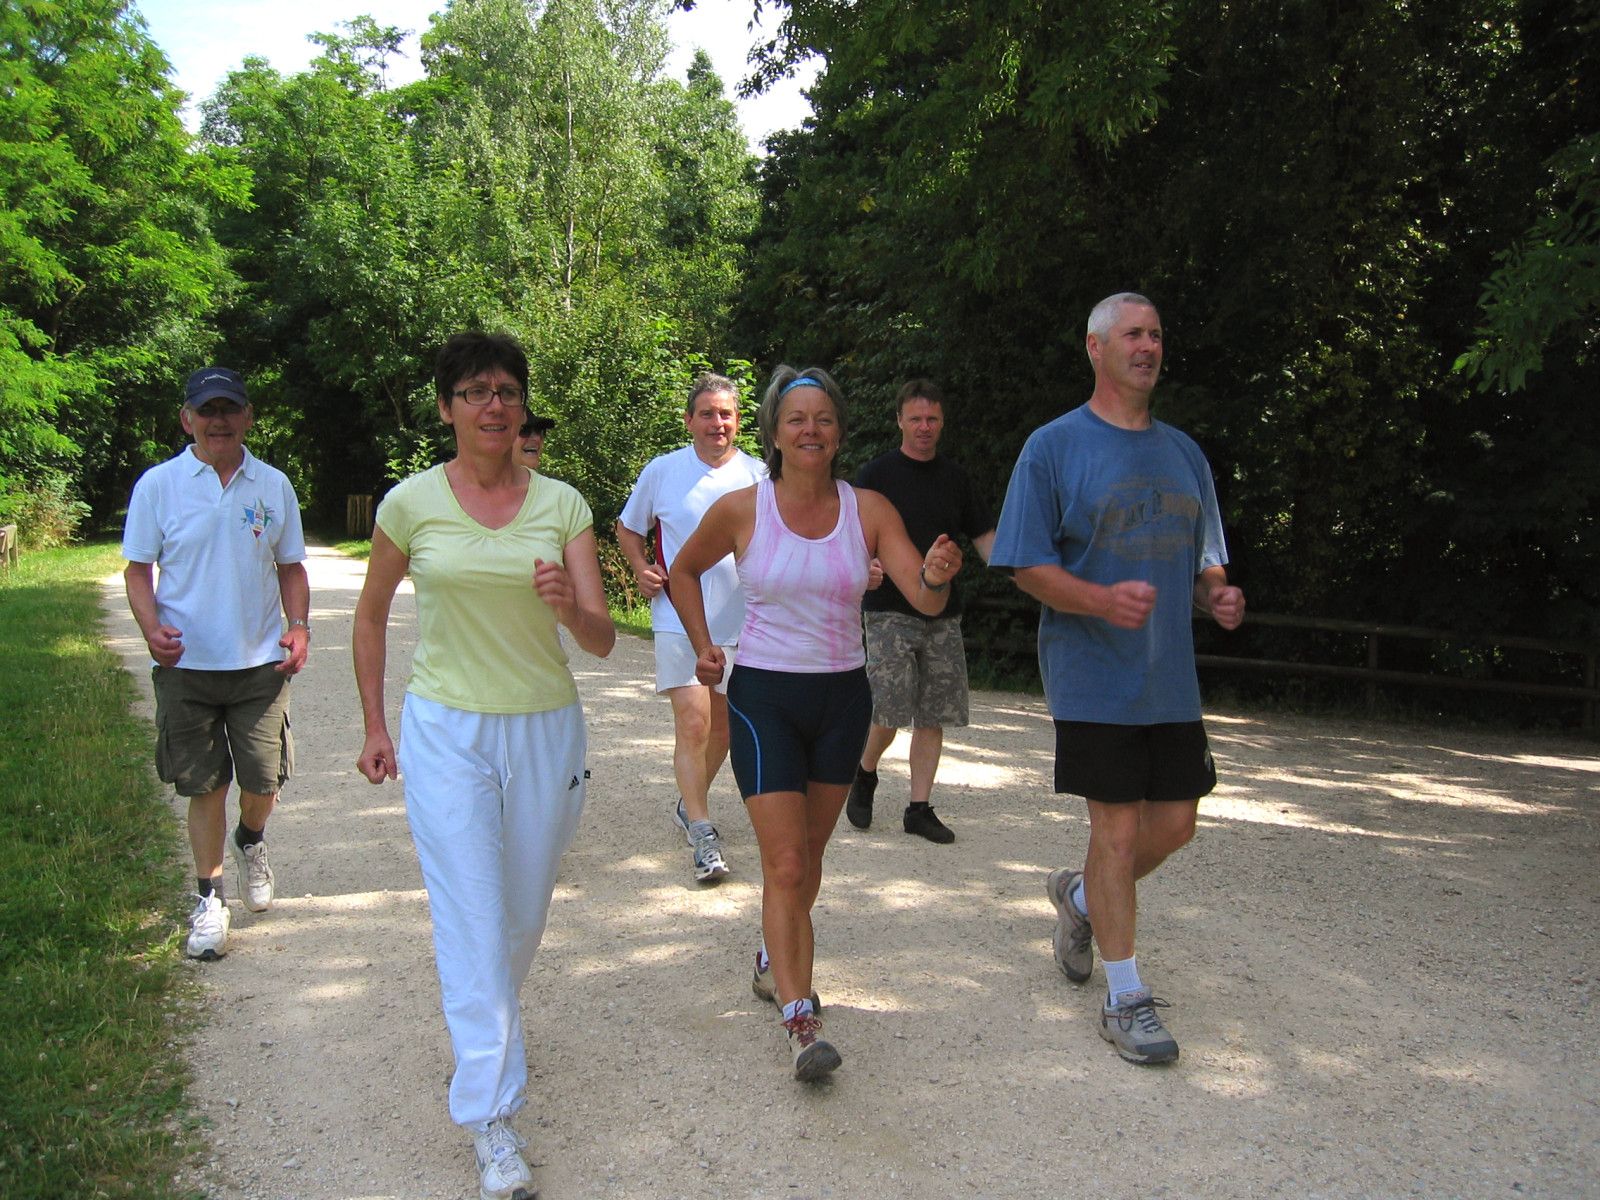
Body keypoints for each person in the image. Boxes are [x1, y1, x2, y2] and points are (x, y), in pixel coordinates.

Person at [352, 332, 615, 1200]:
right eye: (473, 392)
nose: (494, 405)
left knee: (518, 918)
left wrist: (570, 607)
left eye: (506, 391)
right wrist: (373, 725)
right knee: (468, 914)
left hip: (543, 729)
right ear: (446, 408)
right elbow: (370, 616)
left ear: (522, 406)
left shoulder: (564, 504)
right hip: (446, 732)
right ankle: (493, 1116)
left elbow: (603, 638)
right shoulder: (411, 504)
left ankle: (488, 1035)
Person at [669, 365, 963, 1081]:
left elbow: (923, 602)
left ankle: (774, 962)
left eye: (823, 419)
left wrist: (937, 573)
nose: (810, 430)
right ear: (772, 432)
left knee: (810, 859)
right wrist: (704, 642)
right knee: (787, 863)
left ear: (838, 432)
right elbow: (682, 571)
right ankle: (801, 1019)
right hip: (764, 695)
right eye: (795, 419)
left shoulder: (869, 510)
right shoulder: (744, 508)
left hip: (842, 699)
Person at [990, 293, 1245, 1066]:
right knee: (1120, 828)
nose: (1148, 346)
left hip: (1169, 675)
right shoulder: (1054, 447)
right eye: (1132, 334)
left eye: (1157, 335)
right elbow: (1024, 563)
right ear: (1095, 347)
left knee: (1175, 826)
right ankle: (1126, 997)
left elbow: (1207, 559)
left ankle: (1076, 899)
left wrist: (1217, 595)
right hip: (1091, 672)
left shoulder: (1185, 455)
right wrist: (1099, 599)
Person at [121, 367, 310, 962]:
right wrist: (152, 629)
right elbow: (137, 570)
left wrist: (298, 626)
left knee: (262, 779)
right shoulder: (159, 485)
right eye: (207, 410)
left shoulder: (274, 485)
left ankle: (251, 839)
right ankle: (209, 898)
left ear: (249, 416)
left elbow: (291, 567)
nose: (219, 420)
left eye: (230, 408)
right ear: (188, 419)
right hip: (187, 666)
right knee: (205, 785)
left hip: (259, 663)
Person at [616, 374, 765, 883]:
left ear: (738, 421)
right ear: (689, 420)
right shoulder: (663, 471)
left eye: (725, 414)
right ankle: (702, 831)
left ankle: (688, 800)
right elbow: (627, 527)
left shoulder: (762, 475)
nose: (716, 423)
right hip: (679, 617)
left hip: (745, 620)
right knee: (695, 723)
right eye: (706, 413)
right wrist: (640, 567)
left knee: (722, 727)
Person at [846, 379, 996, 843]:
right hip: (889, 608)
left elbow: (986, 538)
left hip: (943, 612)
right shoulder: (875, 476)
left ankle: (919, 807)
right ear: (899, 421)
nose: (924, 427)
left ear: (942, 422)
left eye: (932, 419)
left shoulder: (956, 478)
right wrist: (865, 567)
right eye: (916, 419)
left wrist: (1026, 573)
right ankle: (865, 772)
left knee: (933, 714)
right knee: (888, 710)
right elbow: (849, 537)